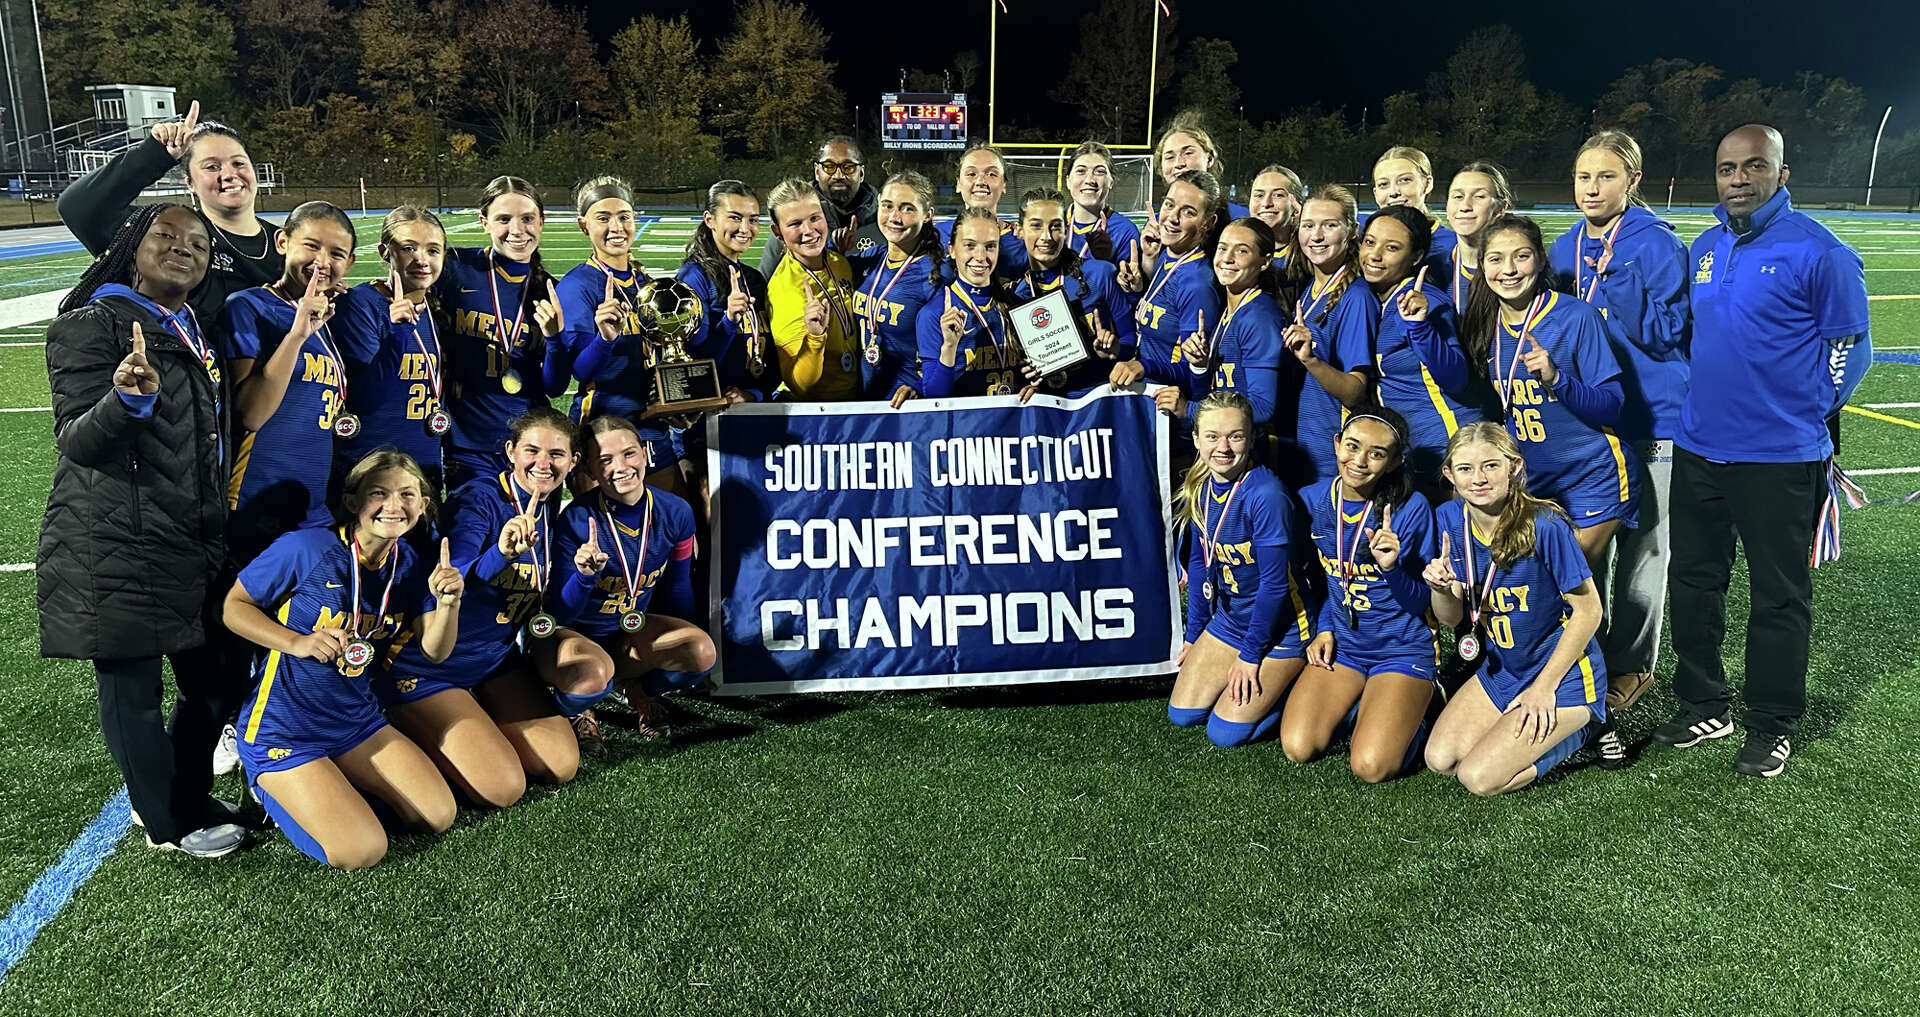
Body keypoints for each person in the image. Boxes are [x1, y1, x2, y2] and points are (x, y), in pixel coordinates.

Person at [1658, 124, 1870, 778]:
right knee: (1694, 582)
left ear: (1782, 172)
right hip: (1699, 449)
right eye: (1727, 169)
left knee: (1778, 596)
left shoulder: (1820, 251)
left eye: (1753, 166)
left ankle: (1771, 720)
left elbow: (1850, 350)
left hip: (1779, 458)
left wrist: (1805, 414)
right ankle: (1703, 701)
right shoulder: (1706, 243)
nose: (1739, 179)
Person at [40, 203, 248, 858]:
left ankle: (183, 794)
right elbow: (77, 440)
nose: (183, 247)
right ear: (132, 244)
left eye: (197, 242)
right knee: (132, 692)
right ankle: (165, 822)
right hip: (115, 536)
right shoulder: (90, 324)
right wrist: (125, 401)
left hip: (187, 534)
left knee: (215, 679)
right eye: (166, 234)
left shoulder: (194, 329)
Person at [223, 451, 463, 868]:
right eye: (379, 494)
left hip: (357, 722)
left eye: (408, 494)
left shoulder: (410, 566)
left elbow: (436, 651)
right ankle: (265, 789)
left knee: (438, 815)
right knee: (362, 850)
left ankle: (330, 786)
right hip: (285, 731)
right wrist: (294, 642)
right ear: (353, 502)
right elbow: (233, 607)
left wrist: (448, 605)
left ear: (423, 505)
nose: (394, 506)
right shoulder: (307, 547)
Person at [381, 408, 614, 796]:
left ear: (573, 462)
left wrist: (583, 577)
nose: (543, 463)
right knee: (502, 787)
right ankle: (406, 719)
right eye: (532, 451)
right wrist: (501, 553)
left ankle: (473, 720)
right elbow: (452, 578)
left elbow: (554, 613)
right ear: (510, 451)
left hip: (493, 661)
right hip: (430, 664)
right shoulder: (478, 498)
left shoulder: (551, 510)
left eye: (557, 454)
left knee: (559, 765)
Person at [1546, 130, 1691, 719]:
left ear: (1633, 182)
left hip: (1651, 418)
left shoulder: (1656, 245)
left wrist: (1619, 281)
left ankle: (1633, 664)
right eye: (1584, 176)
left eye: (1607, 177)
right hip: (1587, 422)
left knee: (1643, 550)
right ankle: (1584, 655)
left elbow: (1668, 334)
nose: (1592, 188)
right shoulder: (1561, 246)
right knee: (1585, 545)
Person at [1423, 423, 1607, 795]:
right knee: (1440, 759)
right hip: (1504, 668)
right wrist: (1440, 589)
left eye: (1491, 465)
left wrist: (1544, 689)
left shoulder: (1545, 524)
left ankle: (1589, 728)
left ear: (1514, 467)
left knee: (1479, 779)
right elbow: (1452, 618)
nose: (1478, 478)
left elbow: (1590, 610)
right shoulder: (1447, 521)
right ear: (1449, 475)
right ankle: (1526, 728)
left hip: (1563, 673)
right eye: (1465, 469)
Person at [1459, 214, 1638, 567]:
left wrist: (1558, 380)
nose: (1508, 269)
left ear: (1540, 260)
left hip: (1594, 474)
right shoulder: (1483, 322)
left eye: (1521, 256)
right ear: (1482, 265)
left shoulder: (1576, 317)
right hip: (1532, 481)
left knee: (1566, 588)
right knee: (1537, 593)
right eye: (1495, 259)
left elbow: (1613, 405)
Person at [1284, 410, 1439, 782]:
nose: (1359, 461)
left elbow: (1423, 604)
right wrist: (1324, 628)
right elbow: (1317, 581)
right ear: (1337, 444)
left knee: (1371, 767)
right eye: (1352, 446)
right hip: (1346, 647)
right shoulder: (1311, 500)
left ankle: (1426, 707)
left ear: (1395, 461)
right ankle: (1370, 704)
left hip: (1401, 648)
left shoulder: (1410, 509)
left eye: (1377, 453)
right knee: (1298, 746)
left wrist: (1392, 569)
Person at [1168, 391, 1315, 747]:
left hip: (1284, 627)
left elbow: (1275, 587)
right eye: (1212, 436)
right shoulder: (1201, 484)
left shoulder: (1266, 495)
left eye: (1235, 436)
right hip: (1232, 620)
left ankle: (1300, 685)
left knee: (1224, 733)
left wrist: (1250, 658)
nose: (1223, 447)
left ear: (1251, 438)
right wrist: (1195, 634)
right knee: (1183, 714)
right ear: (1196, 438)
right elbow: (1201, 565)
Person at [553, 417, 712, 742]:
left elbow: (677, 587)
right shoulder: (576, 519)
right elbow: (559, 613)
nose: (621, 467)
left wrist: (684, 647)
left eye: (628, 454)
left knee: (702, 653)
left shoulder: (676, 511)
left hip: (630, 633)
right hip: (579, 638)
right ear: (590, 470)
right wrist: (585, 576)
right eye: (605, 460)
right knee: (592, 677)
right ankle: (579, 706)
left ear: (645, 453)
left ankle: (639, 689)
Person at [58, 101, 283, 328]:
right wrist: (155, 155)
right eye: (211, 167)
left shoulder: (291, 242)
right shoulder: (164, 237)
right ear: (190, 183)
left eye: (238, 163)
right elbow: (79, 208)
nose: (229, 174)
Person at [222, 201, 358, 565]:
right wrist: (297, 333)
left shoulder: (332, 318)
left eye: (336, 253)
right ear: (282, 242)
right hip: (257, 503)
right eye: (311, 245)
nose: (322, 261)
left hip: (313, 509)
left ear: (350, 264)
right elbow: (248, 414)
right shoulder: (250, 307)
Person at [554, 177, 692, 503]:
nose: (616, 226)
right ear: (583, 225)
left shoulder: (646, 282)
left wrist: (678, 402)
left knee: (676, 526)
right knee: (609, 540)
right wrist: (604, 338)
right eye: (603, 217)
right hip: (601, 431)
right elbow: (582, 372)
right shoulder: (577, 286)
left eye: (624, 216)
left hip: (651, 428)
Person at [434, 176, 565, 492]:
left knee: (532, 538)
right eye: (504, 219)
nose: (517, 230)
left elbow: (556, 386)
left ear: (541, 223)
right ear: (484, 222)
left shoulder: (551, 290)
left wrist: (554, 339)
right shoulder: (453, 267)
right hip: (467, 440)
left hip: (530, 445)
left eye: (527, 219)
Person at [1363, 205, 1481, 490]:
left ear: (1416, 257)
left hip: (1450, 444)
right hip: (1415, 448)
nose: (1375, 255)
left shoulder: (1424, 300)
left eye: (1391, 247)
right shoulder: (1374, 297)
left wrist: (1420, 327)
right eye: (1369, 242)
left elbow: (1456, 377)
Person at [333, 207, 450, 495]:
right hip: (372, 462)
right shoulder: (361, 304)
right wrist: (398, 333)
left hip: (424, 460)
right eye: (409, 248)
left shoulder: (434, 309)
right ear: (385, 251)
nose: (422, 259)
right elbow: (366, 397)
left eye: (433, 251)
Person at [1151, 216, 1286, 436]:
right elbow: (1211, 391)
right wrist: (1199, 366)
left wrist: (1189, 409)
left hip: (1244, 451)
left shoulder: (1259, 318)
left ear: (1265, 261)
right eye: (1223, 248)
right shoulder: (1230, 309)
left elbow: (1262, 407)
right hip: (1221, 440)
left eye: (1242, 251)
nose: (1227, 258)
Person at [1282, 185, 1380, 487]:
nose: (1317, 235)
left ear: (1351, 230)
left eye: (1330, 225)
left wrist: (1310, 360)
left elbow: (1355, 391)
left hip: (1333, 454)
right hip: (1306, 446)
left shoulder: (1356, 297)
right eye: (1309, 225)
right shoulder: (1311, 287)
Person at [1008, 186, 1132, 397]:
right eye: (1036, 226)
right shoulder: (1016, 297)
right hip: (1054, 410)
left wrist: (1115, 350)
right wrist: (1027, 378)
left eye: (1055, 226)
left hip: (1100, 403)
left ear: (1066, 230)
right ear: (1019, 230)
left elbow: (1131, 339)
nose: (1046, 236)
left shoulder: (1100, 274)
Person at [1107, 170, 1224, 394]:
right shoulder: (1168, 256)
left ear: (1208, 222)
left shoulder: (1197, 283)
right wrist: (1135, 291)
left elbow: (1194, 370)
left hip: (1170, 409)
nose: (1172, 217)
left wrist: (1143, 366)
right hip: (1148, 396)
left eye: (1188, 212)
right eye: (1169, 205)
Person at [680, 180, 774, 406]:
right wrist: (729, 320)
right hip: (707, 418)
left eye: (753, 220)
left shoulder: (753, 278)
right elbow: (693, 363)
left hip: (751, 409)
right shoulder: (694, 278)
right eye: (735, 217)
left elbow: (770, 351)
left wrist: (755, 394)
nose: (745, 228)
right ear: (709, 220)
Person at [851, 171, 944, 402]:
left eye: (907, 208)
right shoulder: (870, 258)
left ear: (928, 215)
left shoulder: (937, 274)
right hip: (861, 401)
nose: (894, 217)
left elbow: (956, 347)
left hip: (904, 406)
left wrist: (921, 387)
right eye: (887, 206)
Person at [766, 177, 861, 400]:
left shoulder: (839, 263)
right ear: (778, 232)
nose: (809, 231)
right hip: (819, 415)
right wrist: (815, 338)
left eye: (814, 218)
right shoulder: (784, 290)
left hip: (857, 400)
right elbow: (799, 384)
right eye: (795, 224)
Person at [916, 209, 1020, 400]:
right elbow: (934, 396)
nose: (980, 256)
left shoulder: (1017, 305)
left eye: (990, 246)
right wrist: (948, 347)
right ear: (952, 250)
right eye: (970, 246)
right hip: (967, 428)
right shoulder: (934, 314)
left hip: (1014, 426)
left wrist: (1034, 386)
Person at [758, 135, 880, 278]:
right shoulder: (792, 217)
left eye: (848, 167)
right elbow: (764, 283)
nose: (838, 175)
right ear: (817, 171)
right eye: (829, 167)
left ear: (861, 173)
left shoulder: (884, 219)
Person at [934, 141, 1030, 278]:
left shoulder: (1022, 239)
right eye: (971, 174)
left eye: (991, 174)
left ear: (1004, 185)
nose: (980, 181)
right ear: (958, 184)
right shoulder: (937, 235)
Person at [1371, 146, 1456, 273]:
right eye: (1384, 184)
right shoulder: (1363, 238)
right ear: (1376, 193)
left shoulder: (1453, 245)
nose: (1393, 192)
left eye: (1405, 180)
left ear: (1427, 184)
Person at [1064, 140, 1143, 265]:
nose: (1090, 180)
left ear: (1111, 181)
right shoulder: (1053, 224)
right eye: (1081, 171)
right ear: (1068, 181)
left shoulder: (1125, 231)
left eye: (1100, 171)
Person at [1157, 115, 1249, 219]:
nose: (1178, 163)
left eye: (1188, 153)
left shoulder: (1240, 218)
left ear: (1209, 159)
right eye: (1170, 157)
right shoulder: (1157, 223)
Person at [1247, 164, 1305, 278]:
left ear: (1296, 205)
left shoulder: (1311, 250)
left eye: (1278, 195)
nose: (1266, 203)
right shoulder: (1235, 247)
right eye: (1259, 195)